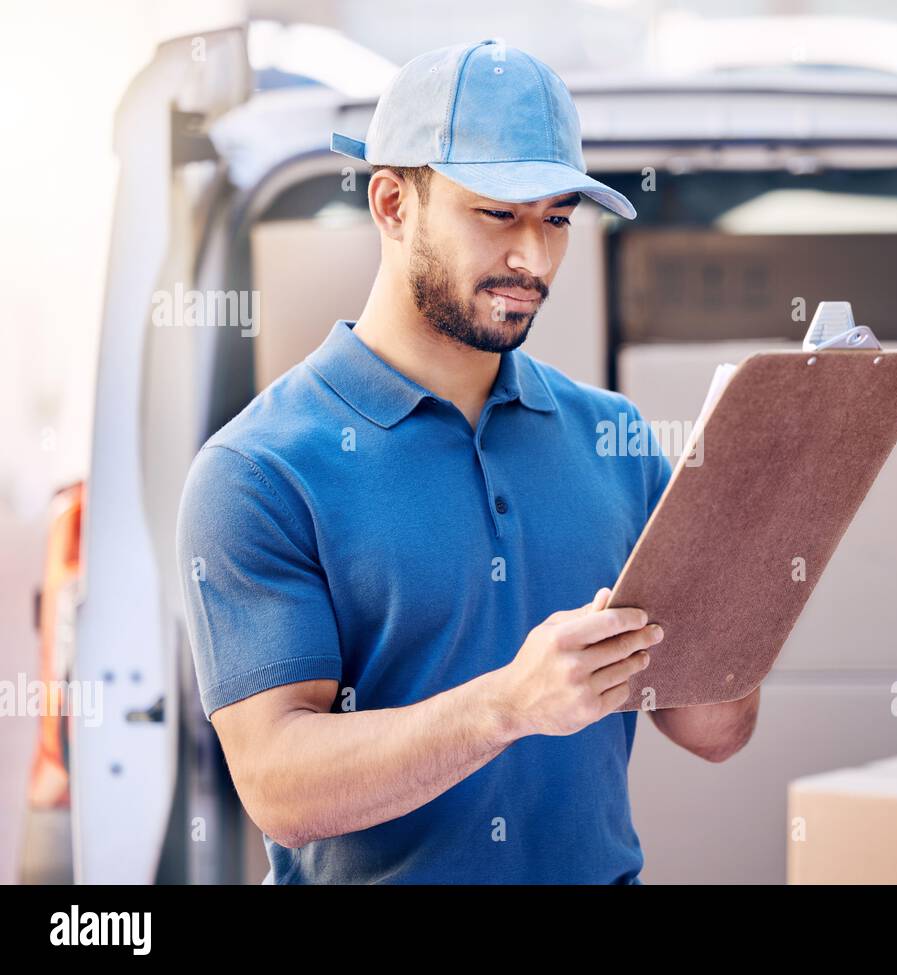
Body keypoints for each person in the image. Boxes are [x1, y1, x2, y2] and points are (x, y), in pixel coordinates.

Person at [175, 39, 759, 884]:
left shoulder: (614, 437)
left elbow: (714, 730)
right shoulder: (259, 472)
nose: (535, 258)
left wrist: (763, 540)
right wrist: (507, 706)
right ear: (391, 202)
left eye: (556, 217)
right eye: (498, 214)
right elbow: (280, 787)